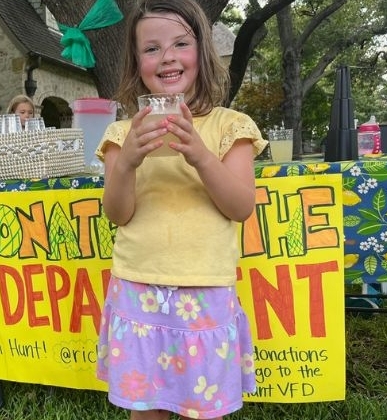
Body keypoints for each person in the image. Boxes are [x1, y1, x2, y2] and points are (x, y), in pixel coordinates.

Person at [94, 1, 268, 419]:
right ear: (136, 63)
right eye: (151, 48)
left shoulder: (230, 126)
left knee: (204, 408)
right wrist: (128, 161)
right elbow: (117, 213)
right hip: (138, 289)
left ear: (202, 52)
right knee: (146, 408)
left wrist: (201, 155)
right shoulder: (122, 133)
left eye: (180, 44)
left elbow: (241, 207)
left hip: (205, 290)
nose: (167, 57)